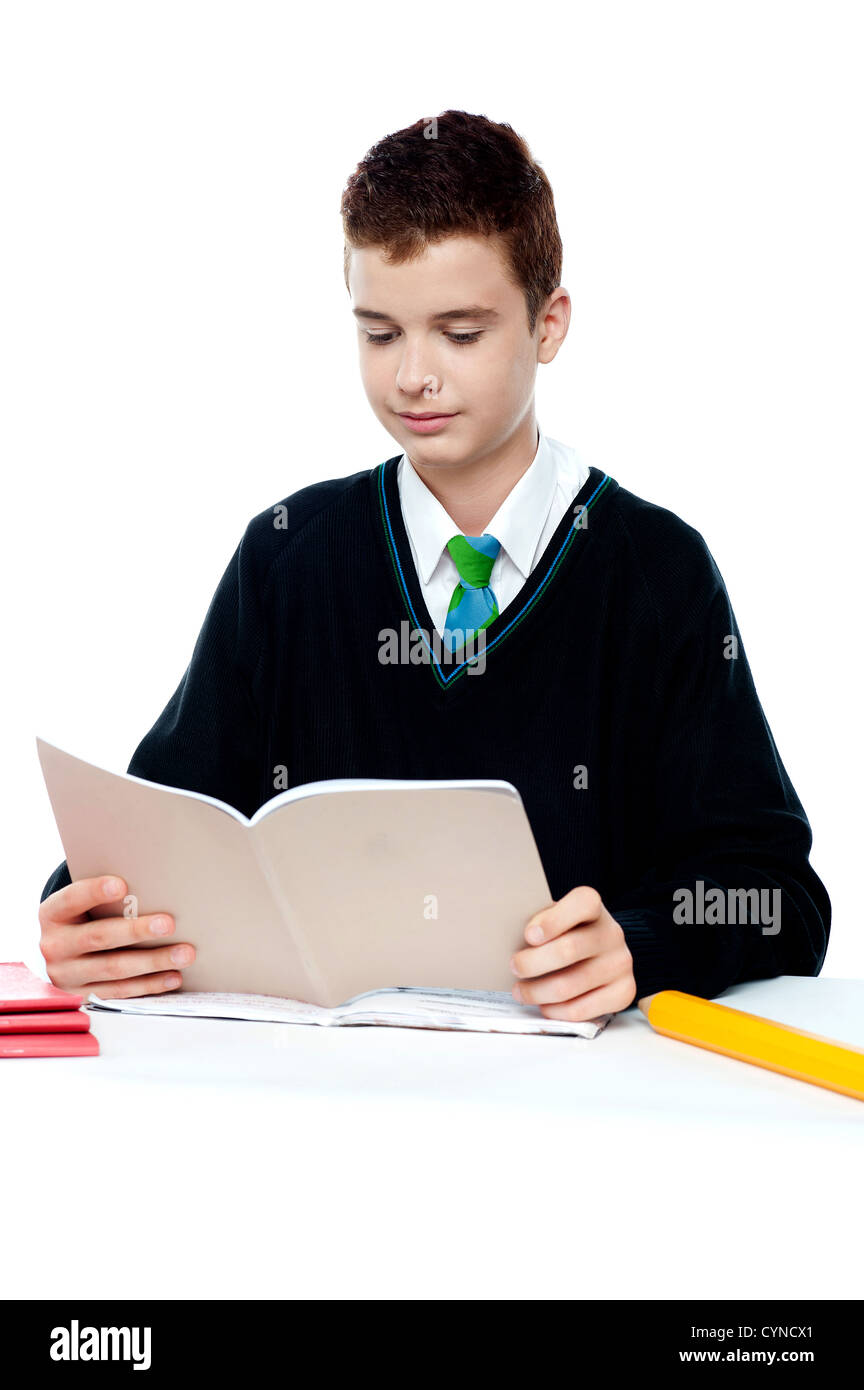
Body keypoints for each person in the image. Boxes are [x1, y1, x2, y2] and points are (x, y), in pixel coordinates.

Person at [38, 109, 831, 1020]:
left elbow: (779, 896)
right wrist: (86, 913)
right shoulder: (289, 556)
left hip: (588, 1113)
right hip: (326, 1094)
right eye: (380, 333)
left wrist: (641, 944)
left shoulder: (656, 572)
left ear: (549, 324)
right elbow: (170, 829)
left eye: (460, 334)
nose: (414, 375)